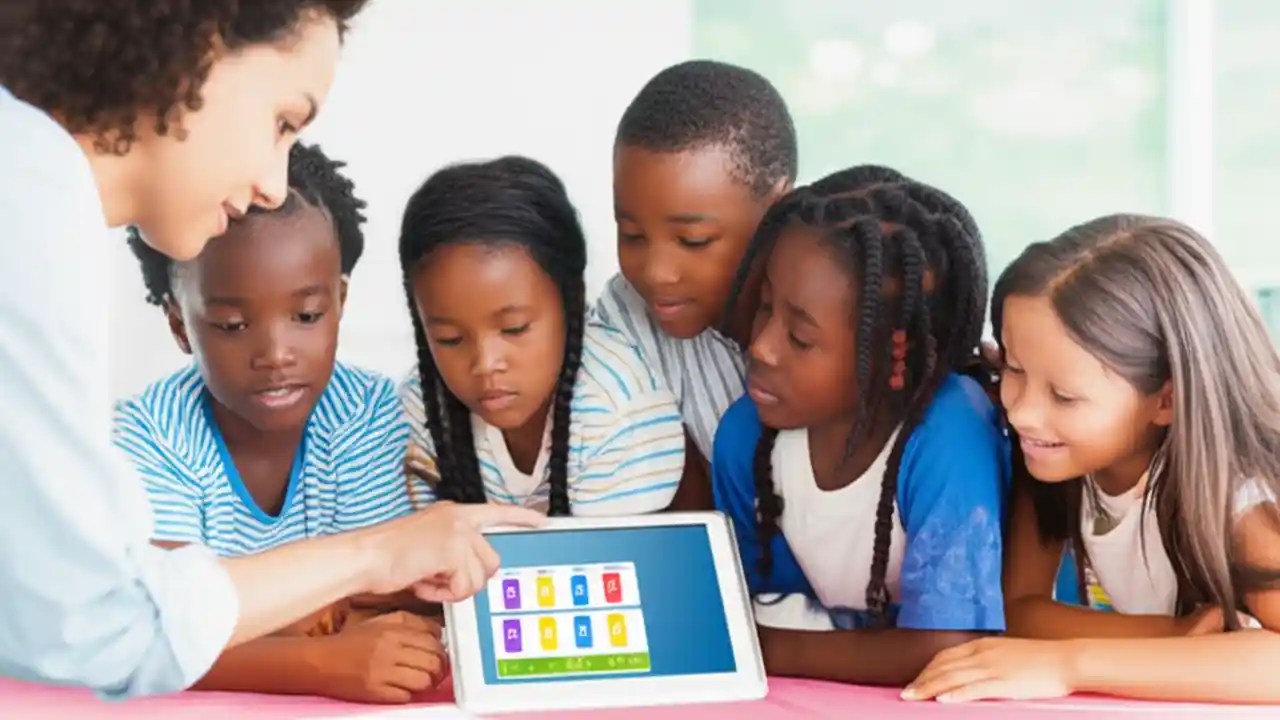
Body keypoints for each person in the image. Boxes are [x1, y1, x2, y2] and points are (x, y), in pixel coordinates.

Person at [0, 0, 540, 699]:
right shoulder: (29, 204)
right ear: (195, 46)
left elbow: (61, 607)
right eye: (283, 122)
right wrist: (371, 559)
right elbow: (107, 623)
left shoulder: (33, 180)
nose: (273, 184)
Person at [906, 215, 1280, 704]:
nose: (1022, 413)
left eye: (1064, 396)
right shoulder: (1056, 456)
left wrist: (1068, 665)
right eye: (1014, 369)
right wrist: (1176, 636)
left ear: (1166, 399)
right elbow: (1021, 610)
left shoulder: (1242, 499)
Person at [712, 166, 1008, 685]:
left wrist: (767, 649)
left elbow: (950, 647)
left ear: (893, 355)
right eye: (765, 307)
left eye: (800, 338)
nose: (760, 347)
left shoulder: (948, 436)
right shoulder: (747, 437)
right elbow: (764, 604)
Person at [401, 156, 684, 516]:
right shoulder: (423, 407)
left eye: (515, 328)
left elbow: (613, 552)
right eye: (449, 338)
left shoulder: (617, 412)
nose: (485, 364)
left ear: (571, 302)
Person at [592, 59, 797, 509]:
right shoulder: (622, 323)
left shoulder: (847, 316)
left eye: (693, 240)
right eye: (632, 234)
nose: (656, 272)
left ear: (779, 209)